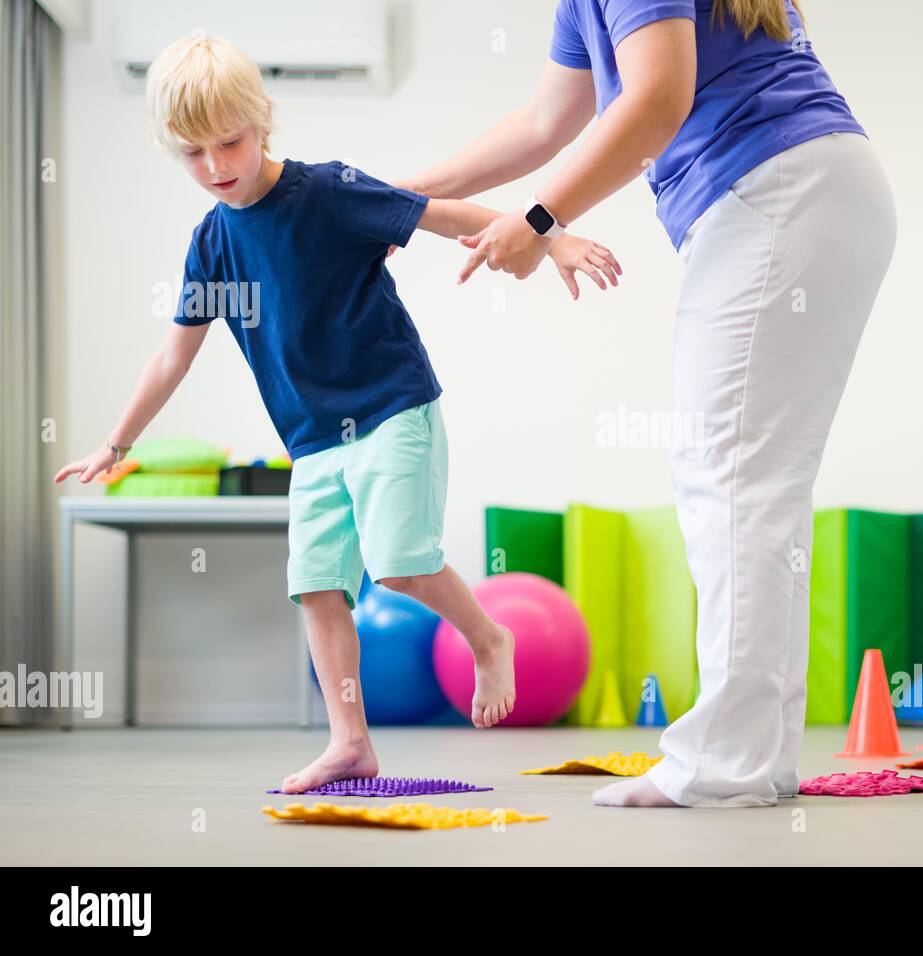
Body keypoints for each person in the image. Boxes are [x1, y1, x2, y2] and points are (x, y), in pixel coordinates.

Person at [51, 31, 621, 793]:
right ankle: (350, 741)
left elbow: (441, 215)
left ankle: (488, 637)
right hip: (312, 440)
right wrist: (117, 443)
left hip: (390, 407)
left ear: (264, 120)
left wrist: (547, 239)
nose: (217, 166)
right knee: (318, 589)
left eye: (231, 141)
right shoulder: (213, 245)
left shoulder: (327, 191)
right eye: (193, 153)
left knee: (398, 563)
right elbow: (173, 355)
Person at [400, 0, 897, 807]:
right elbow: (542, 123)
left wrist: (539, 218)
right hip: (810, 184)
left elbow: (659, 99)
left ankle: (724, 766)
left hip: (775, 189)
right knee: (755, 487)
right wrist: (406, 193)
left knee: (730, 481)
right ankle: (757, 760)